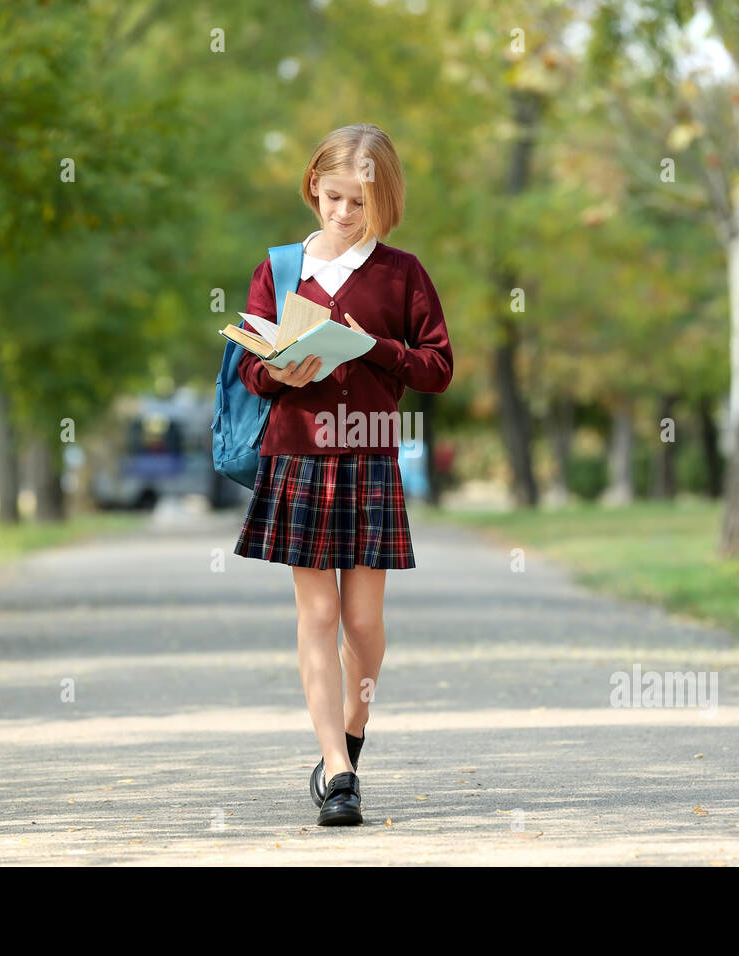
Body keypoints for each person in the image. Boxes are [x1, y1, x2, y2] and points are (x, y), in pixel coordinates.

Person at [232, 124, 454, 826]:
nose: (342, 214)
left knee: (363, 621)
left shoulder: (403, 273)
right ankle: (337, 772)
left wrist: (376, 349)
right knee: (319, 615)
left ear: (382, 201)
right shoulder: (281, 268)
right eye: (331, 198)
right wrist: (274, 370)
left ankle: (354, 731)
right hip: (297, 456)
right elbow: (249, 363)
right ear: (313, 189)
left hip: (369, 457)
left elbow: (438, 368)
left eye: (358, 203)